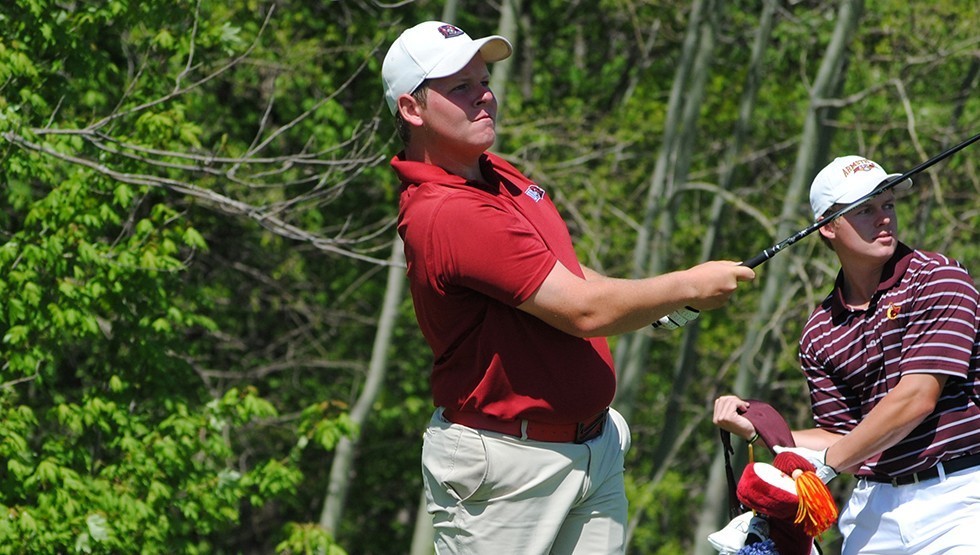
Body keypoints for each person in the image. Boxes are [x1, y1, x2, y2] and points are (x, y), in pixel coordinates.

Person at [381, 20, 756, 554]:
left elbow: (567, 277)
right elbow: (582, 311)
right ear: (412, 110)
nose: (483, 96)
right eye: (459, 87)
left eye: (483, 80)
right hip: (506, 473)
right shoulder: (447, 212)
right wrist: (686, 283)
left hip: (591, 451)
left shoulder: (497, 176)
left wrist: (659, 302)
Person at [713, 155, 980, 554]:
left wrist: (827, 463)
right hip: (875, 510)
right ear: (827, 227)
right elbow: (845, 440)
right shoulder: (820, 330)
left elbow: (916, 398)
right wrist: (764, 430)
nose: (884, 218)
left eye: (887, 204)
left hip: (961, 497)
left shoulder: (939, 278)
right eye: (865, 209)